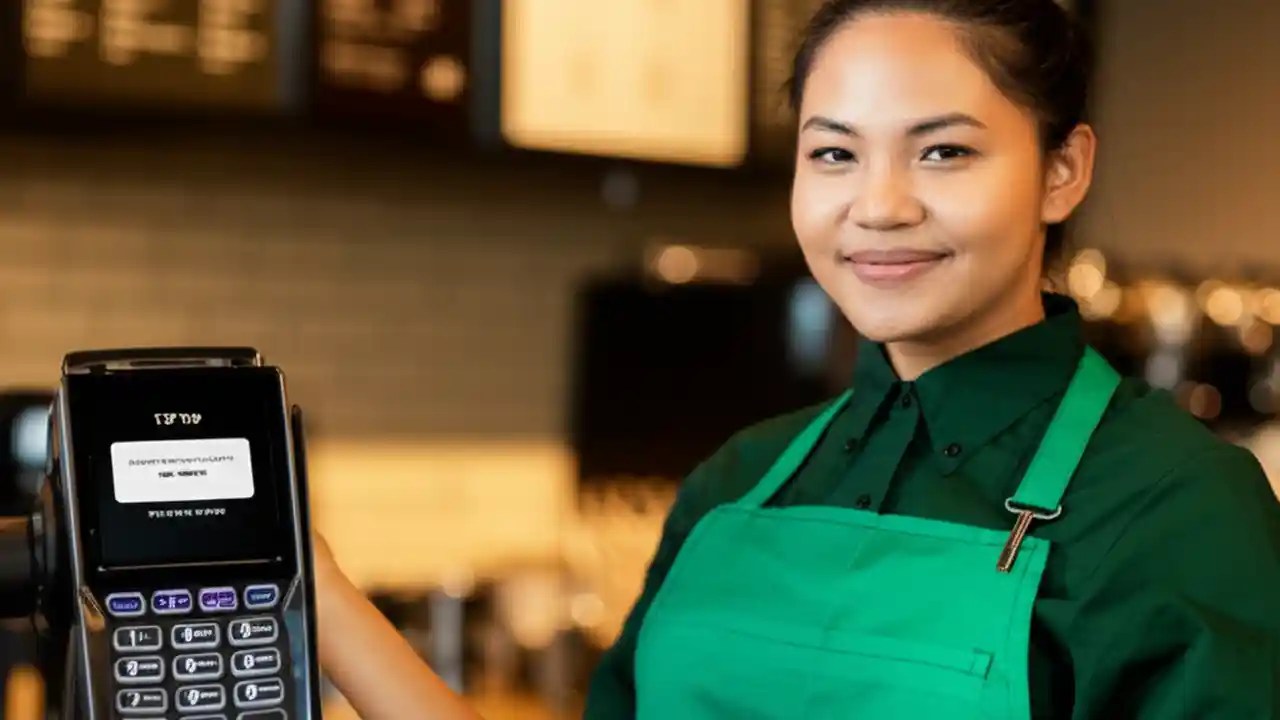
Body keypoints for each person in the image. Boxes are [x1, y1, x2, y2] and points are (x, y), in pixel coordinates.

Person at [312, 0, 1280, 717]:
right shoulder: (737, 483)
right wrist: (315, 592)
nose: (877, 205)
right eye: (832, 154)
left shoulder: (1178, 507)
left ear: (1061, 170)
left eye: (941, 153)